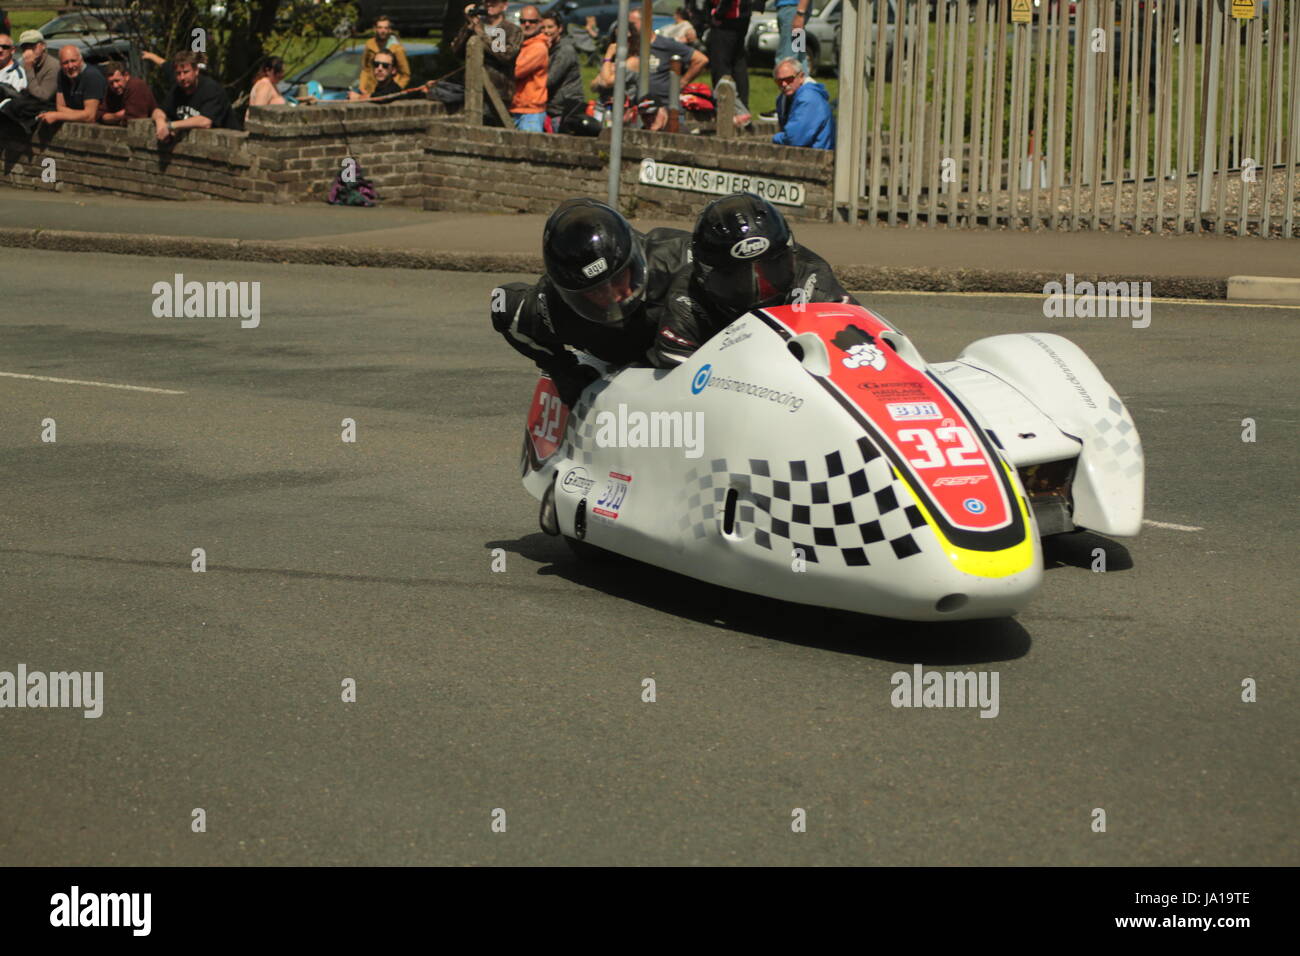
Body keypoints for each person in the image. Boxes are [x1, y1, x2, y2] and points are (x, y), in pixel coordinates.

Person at [491, 198, 691, 406]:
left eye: (618, 278)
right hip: (620, 368)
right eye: (597, 291)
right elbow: (504, 307)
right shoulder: (550, 306)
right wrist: (562, 370)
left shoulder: (679, 259)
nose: (615, 296)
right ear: (570, 294)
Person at [651, 192, 858, 367]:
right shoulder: (687, 300)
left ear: (790, 256)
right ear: (705, 274)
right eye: (736, 278)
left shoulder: (812, 277)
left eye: (772, 270)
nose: (758, 291)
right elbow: (676, 384)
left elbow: (859, 341)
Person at [594, 9, 707, 128]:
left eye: (632, 24)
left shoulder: (665, 44)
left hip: (667, 109)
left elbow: (700, 60)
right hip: (641, 112)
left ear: (646, 22)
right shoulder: (631, 49)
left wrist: (682, 82)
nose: (628, 29)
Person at [452, 0, 522, 123]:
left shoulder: (510, 30)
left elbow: (504, 55)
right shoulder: (477, 26)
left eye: (493, 2)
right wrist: (469, 26)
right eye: (486, 2)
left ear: (504, 5)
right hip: (472, 89)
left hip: (498, 92)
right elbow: (457, 51)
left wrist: (481, 34)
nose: (489, 5)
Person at [151, 51, 238, 142]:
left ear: (196, 71)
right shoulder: (177, 90)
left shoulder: (211, 89)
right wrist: (160, 122)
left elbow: (205, 122)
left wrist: (171, 125)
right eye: (178, 73)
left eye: (186, 72)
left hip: (229, 144)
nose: (182, 77)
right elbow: (158, 110)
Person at [771, 56, 834, 150]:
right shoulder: (783, 99)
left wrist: (775, 138)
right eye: (779, 81)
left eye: (788, 79)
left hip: (818, 157)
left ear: (801, 77)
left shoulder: (809, 98)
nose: (784, 84)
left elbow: (794, 139)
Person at [707, 0, 752, 122]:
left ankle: (735, 109)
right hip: (740, 17)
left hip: (729, 17)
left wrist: (718, 14)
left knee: (721, 65)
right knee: (737, 61)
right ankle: (741, 108)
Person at [36, 45, 104, 126]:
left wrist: (57, 116)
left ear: (81, 60)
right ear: (60, 64)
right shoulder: (62, 74)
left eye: (73, 61)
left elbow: (90, 116)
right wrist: (81, 114)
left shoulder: (92, 76)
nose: (70, 66)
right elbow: (60, 107)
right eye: (65, 62)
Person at [541, 13, 583, 131]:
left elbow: (550, 79)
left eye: (550, 27)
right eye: (543, 28)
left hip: (564, 109)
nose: (546, 31)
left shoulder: (565, 50)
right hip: (552, 108)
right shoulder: (549, 48)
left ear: (560, 29)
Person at [511, 5, 548, 131]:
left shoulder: (538, 47)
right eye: (523, 21)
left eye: (532, 21)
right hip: (515, 108)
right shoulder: (521, 44)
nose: (527, 24)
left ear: (540, 23)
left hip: (531, 113)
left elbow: (516, 71)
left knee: (529, 150)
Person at [358, 14, 410, 96]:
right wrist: (362, 87)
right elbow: (366, 68)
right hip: (371, 90)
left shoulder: (397, 49)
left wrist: (396, 89)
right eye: (380, 27)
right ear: (375, 29)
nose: (383, 31)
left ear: (390, 30)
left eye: (386, 28)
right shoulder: (370, 44)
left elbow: (405, 74)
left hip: (388, 90)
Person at [0, 33, 27, 100]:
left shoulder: (18, 75)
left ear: (12, 50)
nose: (0, 50)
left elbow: (18, 102)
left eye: (5, 47)